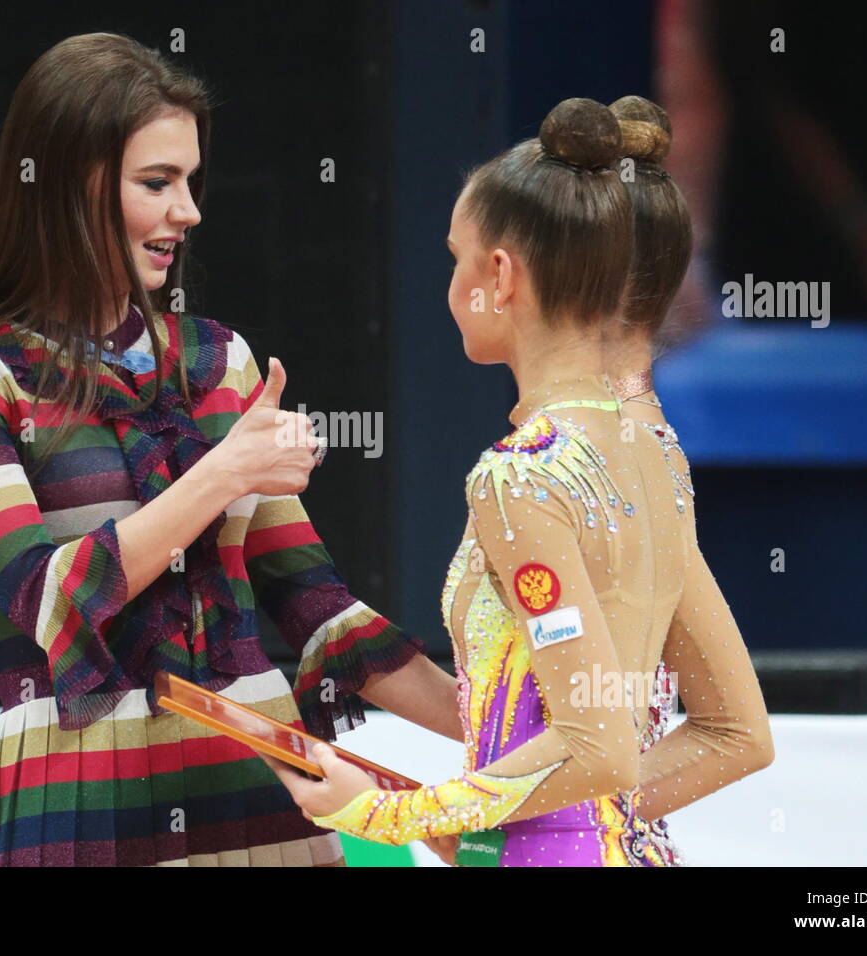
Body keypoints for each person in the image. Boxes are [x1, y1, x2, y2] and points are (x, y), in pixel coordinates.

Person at [0, 32, 459, 867]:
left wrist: (520, 738)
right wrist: (226, 470)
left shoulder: (216, 357)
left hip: (261, 799)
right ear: (70, 186)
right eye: (157, 183)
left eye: (189, 181)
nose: (187, 211)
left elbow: (320, 612)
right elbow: (46, 600)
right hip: (78, 807)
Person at [264, 98, 774, 866]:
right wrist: (533, 826)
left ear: (499, 276)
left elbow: (597, 749)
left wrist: (386, 814)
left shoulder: (522, 479)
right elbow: (733, 736)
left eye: (455, 256)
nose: (451, 283)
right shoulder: (656, 458)